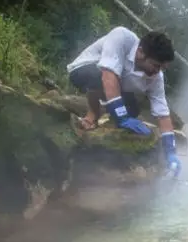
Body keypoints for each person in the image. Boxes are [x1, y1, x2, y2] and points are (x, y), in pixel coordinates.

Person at [66, 26, 181, 177]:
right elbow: (108, 75)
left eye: (161, 68)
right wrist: (121, 116)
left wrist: (171, 152)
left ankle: (107, 119)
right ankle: (93, 113)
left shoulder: (156, 77)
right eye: (155, 65)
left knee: (133, 110)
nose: (157, 71)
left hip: (115, 84)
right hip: (84, 70)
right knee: (99, 77)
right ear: (140, 52)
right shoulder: (122, 37)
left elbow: (163, 113)